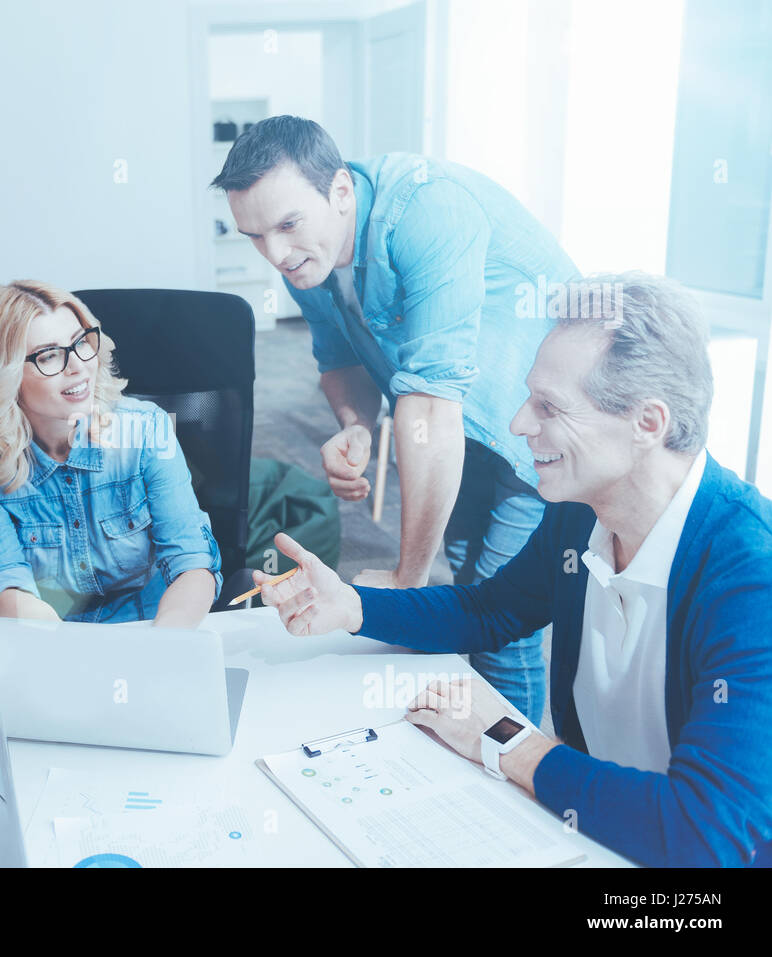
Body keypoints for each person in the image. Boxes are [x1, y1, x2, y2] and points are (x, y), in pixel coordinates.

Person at [253, 272, 772, 866]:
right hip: (598, 833)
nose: (520, 424)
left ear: (647, 424)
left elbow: (706, 834)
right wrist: (353, 605)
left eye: (549, 407)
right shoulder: (585, 512)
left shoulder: (752, 578)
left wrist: (506, 740)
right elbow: (492, 609)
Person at [212, 116, 582, 725]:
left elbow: (430, 406)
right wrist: (355, 423)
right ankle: (483, 748)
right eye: (255, 235)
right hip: (462, 440)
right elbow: (339, 359)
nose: (275, 254)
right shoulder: (310, 255)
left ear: (338, 191)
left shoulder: (429, 210)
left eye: (286, 225)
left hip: (537, 440)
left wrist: (409, 577)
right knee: (469, 594)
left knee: (500, 621)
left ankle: (517, 776)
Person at [0, 280, 221, 627]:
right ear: (5, 375)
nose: (78, 365)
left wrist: (162, 647)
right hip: (57, 638)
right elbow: (7, 586)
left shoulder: (145, 430)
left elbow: (192, 563)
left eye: (81, 343)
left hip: (154, 625)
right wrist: (73, 662)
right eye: (49, 355)